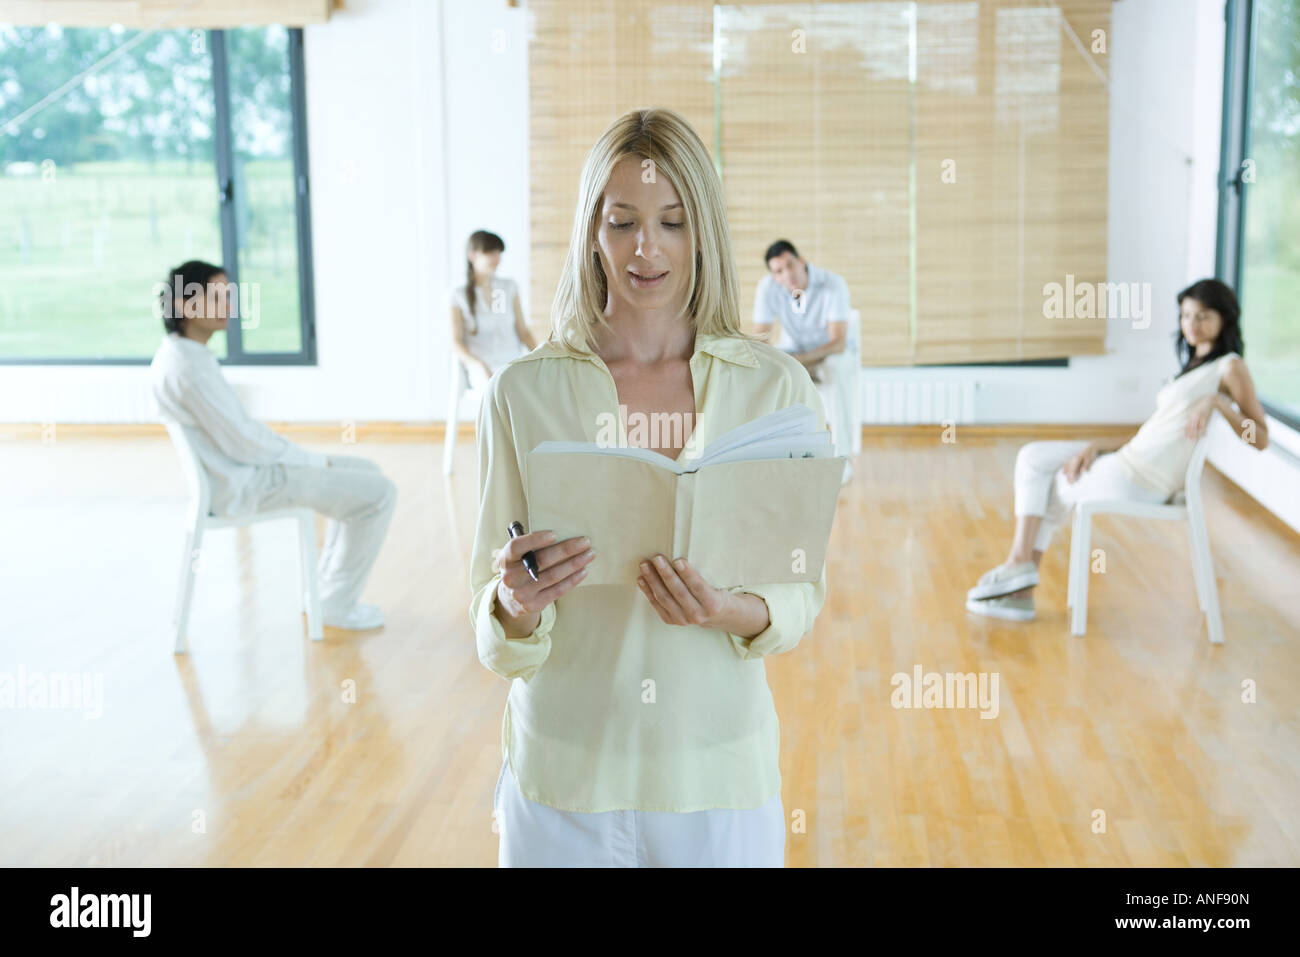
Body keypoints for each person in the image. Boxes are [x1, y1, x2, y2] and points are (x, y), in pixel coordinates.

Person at [470, 108, 831, 867]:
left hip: (716, 778)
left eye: (671, 221)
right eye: (622, 221)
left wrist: (731, 609)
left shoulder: (777, 388)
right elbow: (491, 620)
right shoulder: (520, 393)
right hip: (563, 777)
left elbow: (802, 590)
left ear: (702, 228)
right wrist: (513, 604)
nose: (646, 248)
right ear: (591, 232)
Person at [966, 278, 1269, 622]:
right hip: (1131, 458)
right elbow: (1151, 433)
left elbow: (1259, 437)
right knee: (1033, 457)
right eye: (1185, 316)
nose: (1191, 325)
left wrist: (1218, 402)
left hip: (1142, 478)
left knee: (1054, 483)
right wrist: (1097, 447)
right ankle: (1019, 574)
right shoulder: (1192, 367)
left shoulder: (1230, 367)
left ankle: (1018, 578)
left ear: (1224, 318)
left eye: (1203, 316)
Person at [150, 260, 397, 631]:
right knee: (379, 493)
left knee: (368, 474)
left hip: (246, 473)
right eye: (217, 297)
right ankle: (333, 603)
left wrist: (308, 460)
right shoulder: (188, 368)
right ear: (186, 306)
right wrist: (310, 461)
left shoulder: (185, 355)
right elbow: (244, 443)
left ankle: (327, 596)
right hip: (246, 484)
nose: (228, 307)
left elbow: (241, 437)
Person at [752, 240, 850, 385]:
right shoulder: (767, 287)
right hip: (792, 352)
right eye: (779, 272)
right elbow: (760, 339)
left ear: (802, 261)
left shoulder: (833, 283)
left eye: (790, 265)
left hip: (826, 353)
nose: (788, 274)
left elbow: (837, 343)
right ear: (774, 277)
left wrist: (801, 360)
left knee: (833, 367)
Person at [449, 230, 538, 392]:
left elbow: (523, 332)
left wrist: (541, 357)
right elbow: (455, 342)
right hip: (483, 369)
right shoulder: (458, 295)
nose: (496, 257)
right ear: (472, 256)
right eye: (489, 252)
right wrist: (478, 365)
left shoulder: (506, 288)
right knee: (502, 389)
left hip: (513, 364)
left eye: (498, 252)